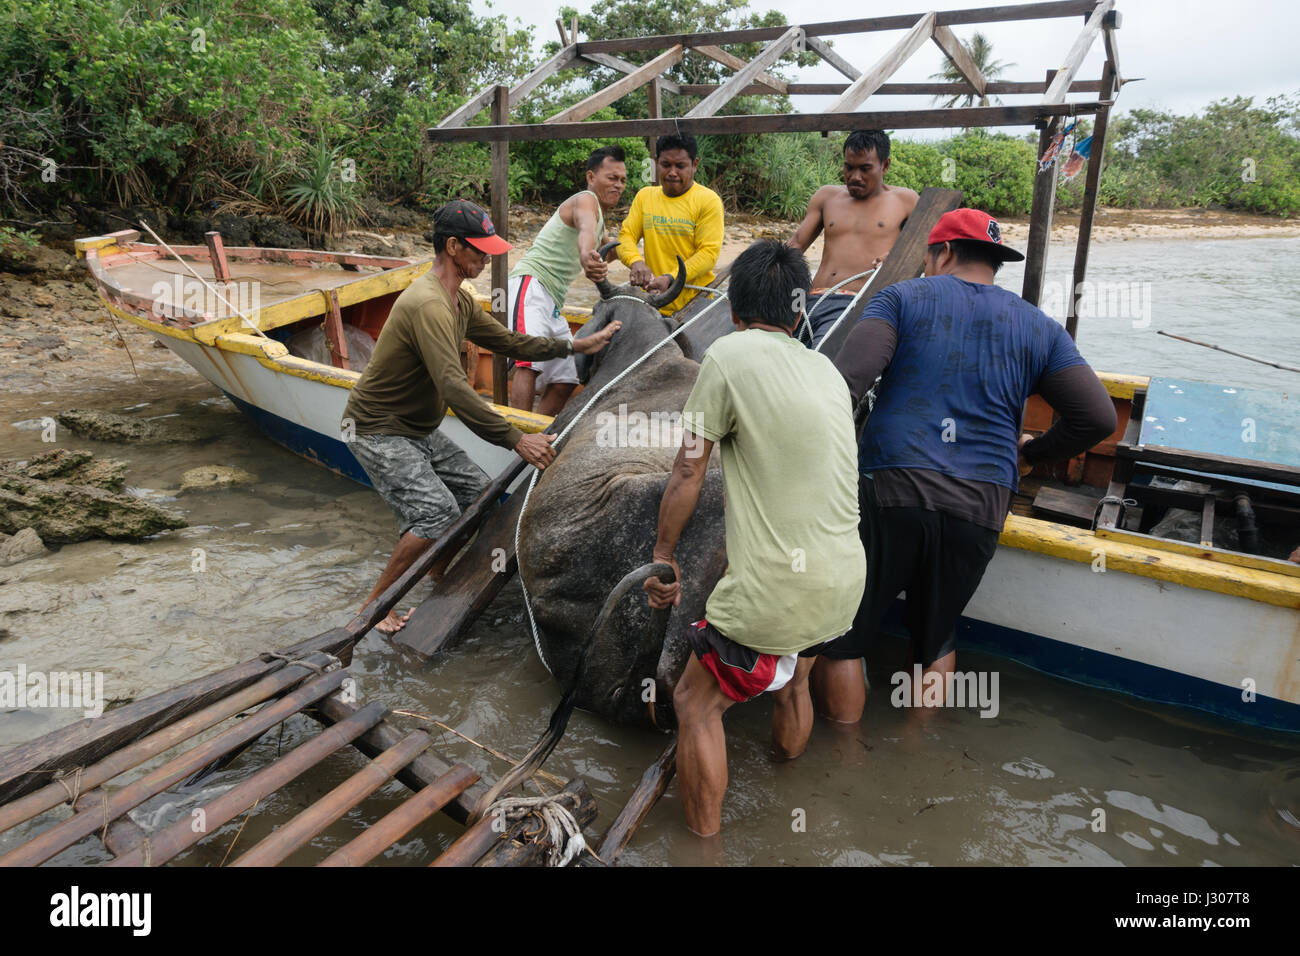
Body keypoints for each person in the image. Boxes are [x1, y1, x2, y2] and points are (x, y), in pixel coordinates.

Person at [810, 208, 1117, 722]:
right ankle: (913, 752)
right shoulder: (1037, 326)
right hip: (982, 503)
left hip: (892, 489)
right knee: (936, 637)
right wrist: (1030, 455)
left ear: (943, 253)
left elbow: (843, 387)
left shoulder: (900, 298)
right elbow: (1097, 416)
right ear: (994, 262)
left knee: (846, 635)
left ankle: (845, 762)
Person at [643, 240, 866, 838]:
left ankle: (703, 848)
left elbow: (689, 468)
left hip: (777, 589)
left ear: (734, 310)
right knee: (793, 685)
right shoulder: (825, 369)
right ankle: (786, 793)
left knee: (695, 704)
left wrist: (663, 557)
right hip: (843, 578)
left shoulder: (727, 355)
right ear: (799, 314)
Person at [343, 199, 621, 634]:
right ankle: (376, 607)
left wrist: (574, 346)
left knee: (480, 495)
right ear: (453, 247)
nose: (486, 258)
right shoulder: (429, 304)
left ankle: (436, 573)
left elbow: (512, 342)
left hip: (418, 428)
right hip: (378, 429)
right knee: (435, 514)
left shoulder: (460, 300)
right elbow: (454, 388)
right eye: (478, 250)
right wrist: (516, 438)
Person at [508, 146, 628, 415]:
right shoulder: (585, 201)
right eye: (612, 178)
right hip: (530, 284)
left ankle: (537, 437)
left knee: (565, 378)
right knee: (528, 362)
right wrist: (587, 254)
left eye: (622, 180)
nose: (618, 185)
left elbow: (614, 252)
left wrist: (646, 260)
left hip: (552, 300)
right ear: (590, 177)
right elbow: (585, 234)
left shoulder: (601, 223)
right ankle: (519, 437)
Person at [787, 130, 918, 349]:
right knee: (774, 349)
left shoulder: (905, 200)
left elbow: (924, 253)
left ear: (885, 166)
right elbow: (796, 245)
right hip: (810, 299)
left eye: (865, 169)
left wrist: (895, 259)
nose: (855, 176)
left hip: (858, 304)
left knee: (820, 357)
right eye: (849, 167)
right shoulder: (827, 196)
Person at [617, 133, 724, 316]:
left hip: (695, 307)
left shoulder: (708, 200)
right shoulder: (645, 196)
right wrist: (635, 261)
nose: (672, 172)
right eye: (666, 165)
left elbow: (708, 254)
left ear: (695, 165)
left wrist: (671, 278)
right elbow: (626, 236)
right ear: (657, 162)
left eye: (680, 166)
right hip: (653, 304)